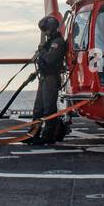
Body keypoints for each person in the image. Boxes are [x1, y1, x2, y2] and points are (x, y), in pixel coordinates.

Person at [27, 14, 68, 144]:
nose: (44, 32)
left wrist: (41, 51)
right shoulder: (50, 42)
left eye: (45, 30)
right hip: (44, 77)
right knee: (38, 108)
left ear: (49, 29)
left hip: (51, 77)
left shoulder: (58, 43)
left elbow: (50, 59)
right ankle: (33, 133)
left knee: (49, 108)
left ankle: (48, 136)